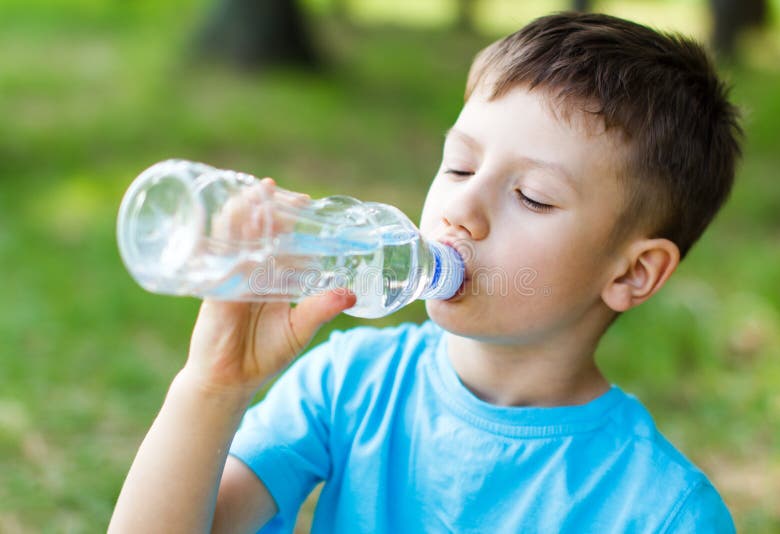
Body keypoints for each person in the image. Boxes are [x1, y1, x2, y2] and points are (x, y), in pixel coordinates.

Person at [109, 12, 742, 533]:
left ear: (632, 274)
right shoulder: (349, 384)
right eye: (460, 167)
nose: (461, 210)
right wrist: (212, 387)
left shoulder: (660, 512)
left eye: (533, 198)